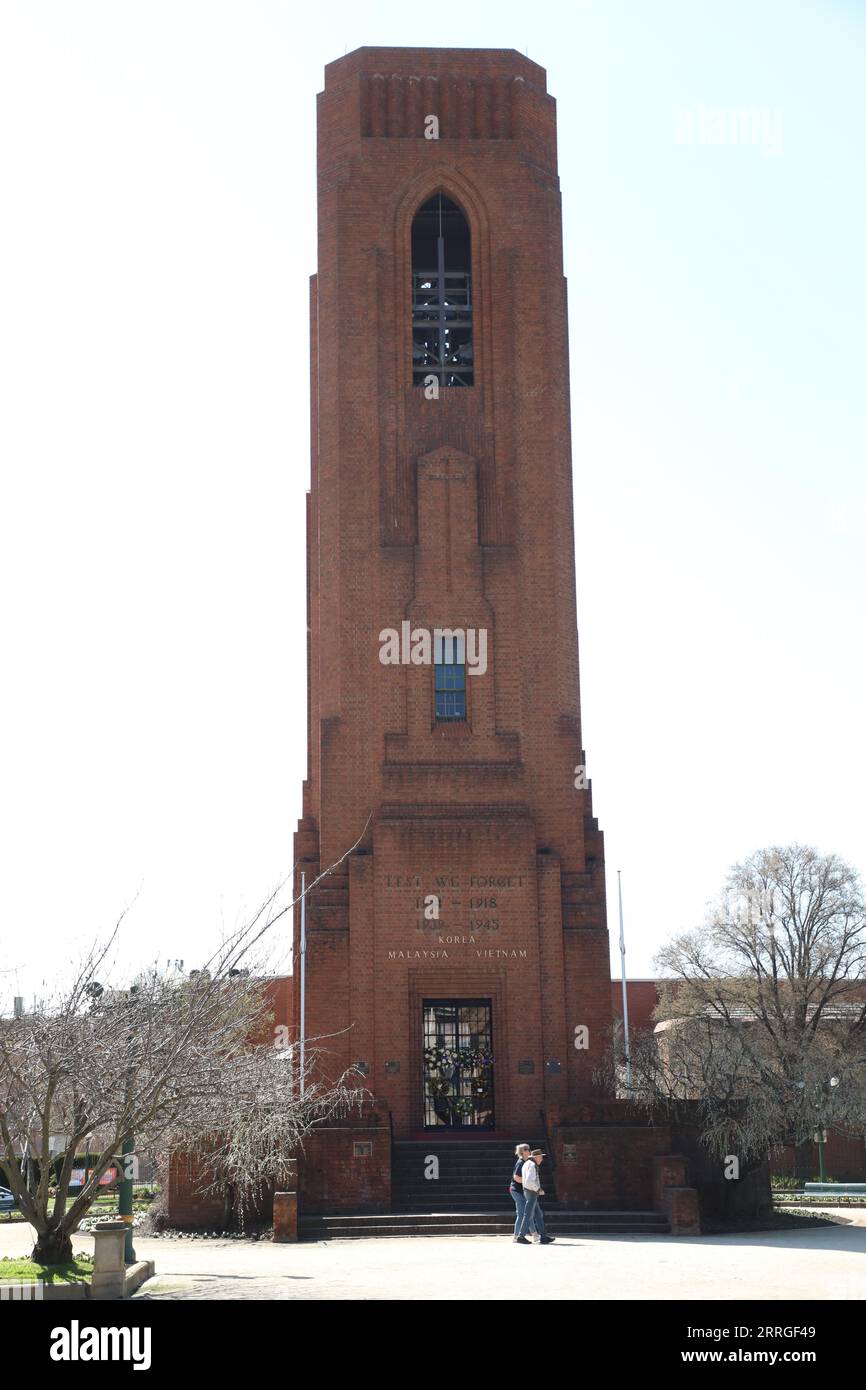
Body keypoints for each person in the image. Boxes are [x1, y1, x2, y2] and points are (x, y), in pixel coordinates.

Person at [514, 1147, 555, 1244]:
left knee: (538, 1215)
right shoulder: (532, 1165)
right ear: (536, 1157)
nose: (541, 1159)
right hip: (531, 1192)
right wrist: (538, 1189)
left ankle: (543, 1237)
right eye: (540, 1157)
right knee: (528, 1215)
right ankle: (521, 1236)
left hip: (529, 1191)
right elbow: (529, 1181)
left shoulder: (527, 1164)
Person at [509, 1143, 531, 1242]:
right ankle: (517, 1236)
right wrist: (527, 1181)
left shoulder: (525, 1162)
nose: (529, 1151)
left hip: (518, 1191)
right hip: (516, 1190)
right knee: (522, 1214)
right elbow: (516, 1177)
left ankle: (519, 1235)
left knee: (523, 1213)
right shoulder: (521, 1162)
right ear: (523, 1152)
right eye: (527, 1149)